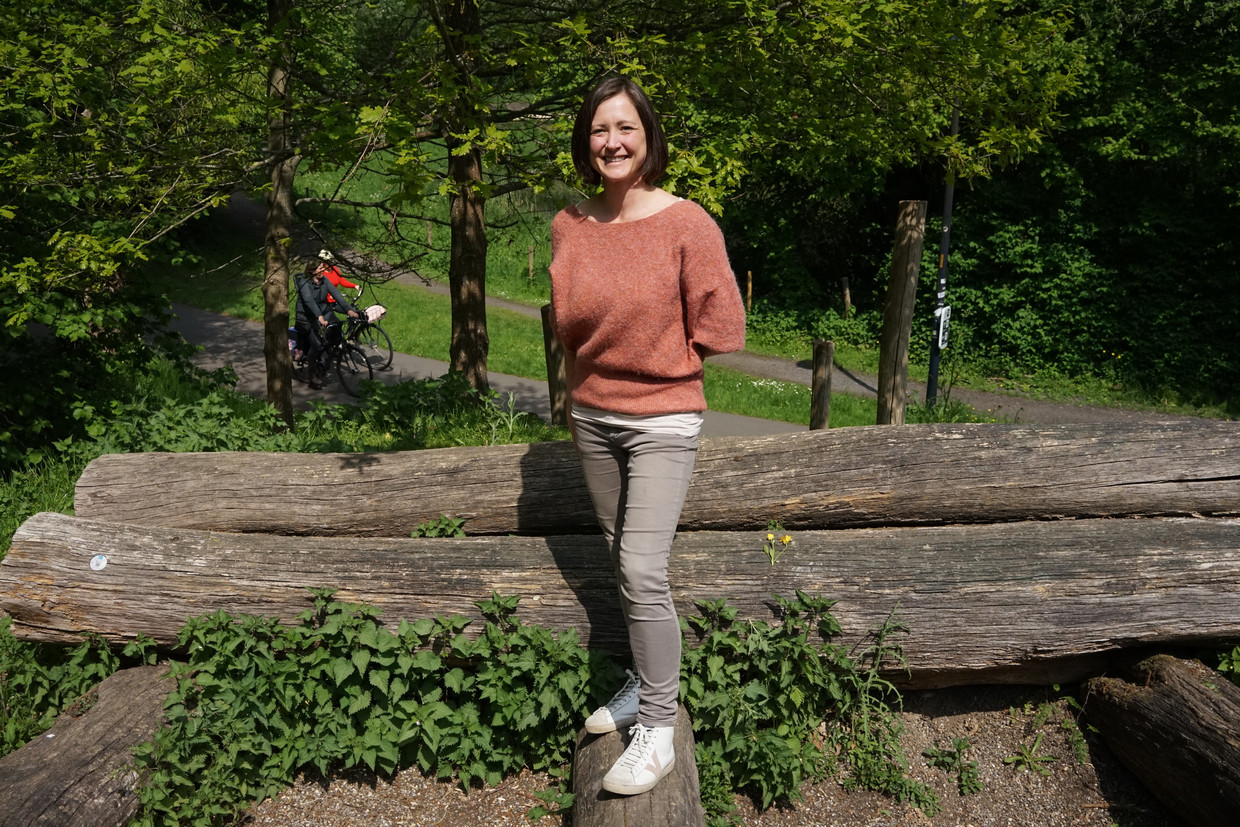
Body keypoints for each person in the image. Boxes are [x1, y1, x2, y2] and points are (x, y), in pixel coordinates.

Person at [548, 76, 746, 796]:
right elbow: (567, 327)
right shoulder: (569, 225)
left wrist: (662, 350)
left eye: (625, 127)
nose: (612, 141)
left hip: (664, 418)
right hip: (594, 418)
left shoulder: (687, 222)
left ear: (648, 136)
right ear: (585, 143)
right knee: (621, 559)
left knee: (639, 567)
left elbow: (724, 328)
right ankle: (642, 681)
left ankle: (658, 729)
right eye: (600, 130)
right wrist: (579, 397)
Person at [295, 257, 360, 389]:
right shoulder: (304, 282)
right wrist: (319, 316)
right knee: (317, 345)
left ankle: (324, 365)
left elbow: (337, 295)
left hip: (324, 312)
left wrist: (349, 310)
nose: (323, 270)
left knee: (336, 332)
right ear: (312, 271)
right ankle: (312, 375)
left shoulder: (324, 281)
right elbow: (308, 301)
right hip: (307, 317)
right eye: (320, 268)